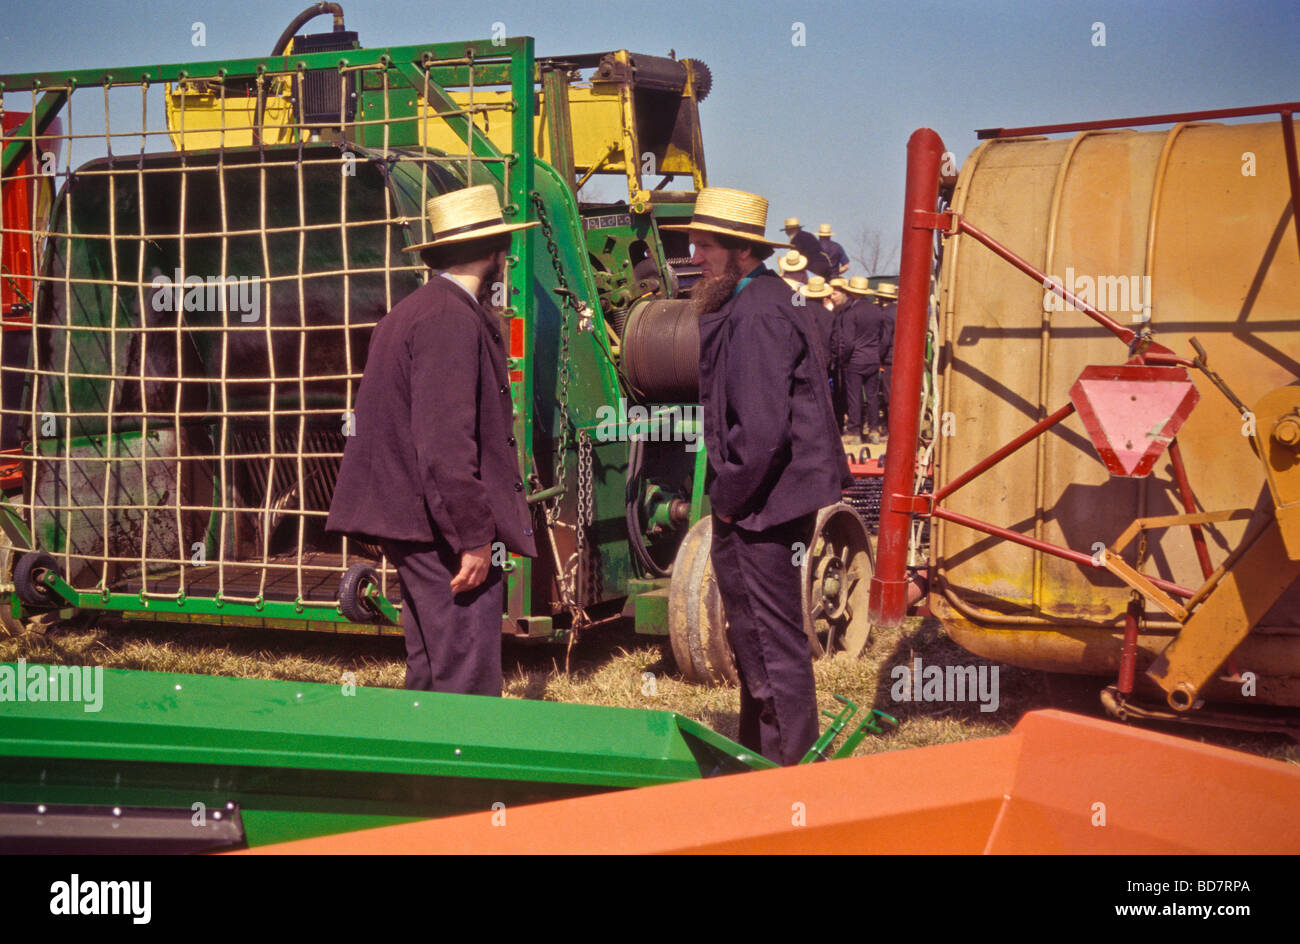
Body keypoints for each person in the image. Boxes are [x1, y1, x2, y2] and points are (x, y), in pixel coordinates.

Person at [326, 185, 539, 696]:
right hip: (441, 530)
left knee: (430, 668)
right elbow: (445, 446)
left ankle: (417, 774)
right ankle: (461, 774)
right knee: (463, 679)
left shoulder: (413, 311)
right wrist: (472, 538)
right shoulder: (450, 319)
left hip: (417, 524)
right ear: (495, 252)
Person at [664, 187, 851, 766]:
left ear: (742, 250)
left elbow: (762, 428)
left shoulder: (758, 313)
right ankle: (760, 756)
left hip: (760, 506)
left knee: (771, 643)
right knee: (758, 639)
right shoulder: (763, 300)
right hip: (764, 501)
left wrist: (726, 499)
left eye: (704, 244)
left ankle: (793, 771)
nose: (694, 254)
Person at [839, 275, 888, 444]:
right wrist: (877, 354)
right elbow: (883, 338)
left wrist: (843, 359)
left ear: (851, 293)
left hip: (855, 359)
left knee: (854, 397)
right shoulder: (877, 312)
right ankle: (874, 430)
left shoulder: (850, 313)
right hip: (872, 359)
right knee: (872, 396)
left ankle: (854, 431)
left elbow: (848, 342)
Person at [872, 281, 899, 436]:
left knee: (890, 396)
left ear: (881, 299)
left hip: (890, 358)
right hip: (902, 358)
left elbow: (885, 340)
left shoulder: (885, 315)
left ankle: (891, 429)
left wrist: (879, 357)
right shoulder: (901, 310)